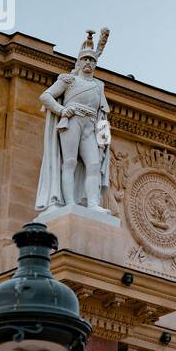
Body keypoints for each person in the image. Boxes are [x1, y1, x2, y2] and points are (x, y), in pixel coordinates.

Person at [36, 29, 111, 213]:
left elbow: (103, 113)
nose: (88, 63)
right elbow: (46, 96)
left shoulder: (98, 85)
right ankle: (69, 203)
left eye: (92, 60)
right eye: (85, 59)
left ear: (95, 64)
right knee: (69, 162)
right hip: (72, 121)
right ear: (78, 62)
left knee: (93, 164)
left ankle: (93, 204)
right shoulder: (69, 80)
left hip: (91, 125)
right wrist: (62, 110)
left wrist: (104, 141)